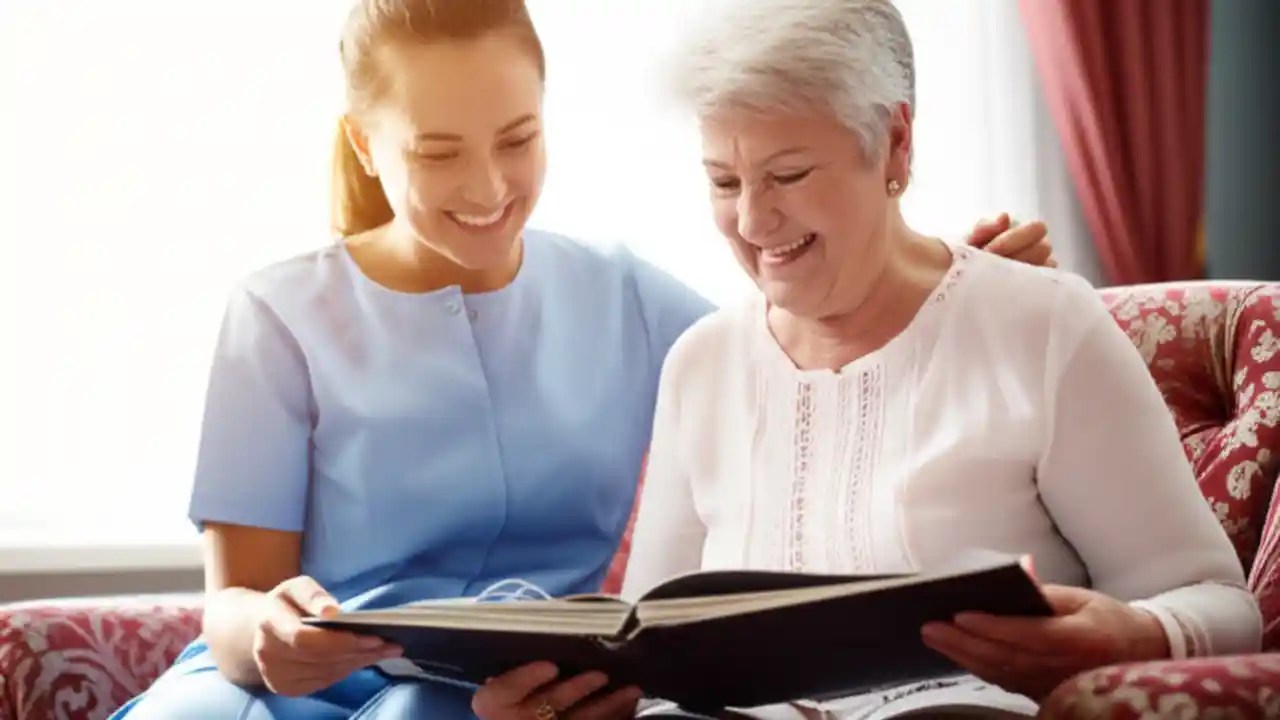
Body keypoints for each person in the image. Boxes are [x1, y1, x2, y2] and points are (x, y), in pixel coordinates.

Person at [109, 1, 1058, 719]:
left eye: (516, 139)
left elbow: (813, 326)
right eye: (438, 154)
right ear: (365, 141)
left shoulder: (623, 296)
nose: (486, 188)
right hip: (278, 699)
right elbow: (230, 604)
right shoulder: (277, 316)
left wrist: (953, 277)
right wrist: (267, 639)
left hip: (517, 700)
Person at [556, 0, 1258, 717]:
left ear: (894, 143)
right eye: (725, 182)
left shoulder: (1042, 327)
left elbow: (1224, 604)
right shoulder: (700, 365)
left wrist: (1137, 631)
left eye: (789, 174)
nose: (751, 222)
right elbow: (644, 646)